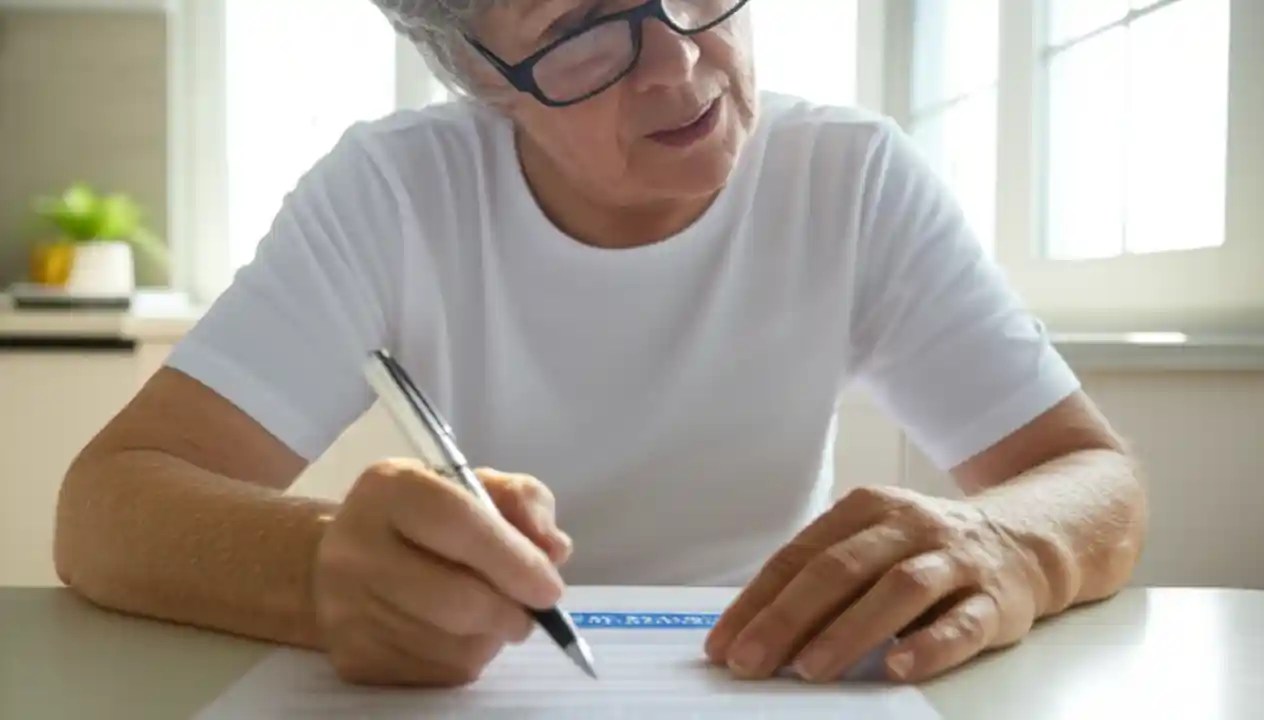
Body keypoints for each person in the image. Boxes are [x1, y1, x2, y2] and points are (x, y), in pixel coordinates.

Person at [54, 0, 1147, 688]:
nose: (677, 63)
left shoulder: (848, 176)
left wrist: (1009, 545)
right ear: (481, 75)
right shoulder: (394, 192)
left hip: (767, 684)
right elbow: (108, 507)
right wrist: (318, 568)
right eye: (581, 31)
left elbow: (1088, 475)